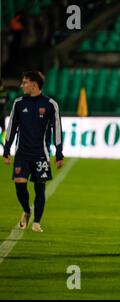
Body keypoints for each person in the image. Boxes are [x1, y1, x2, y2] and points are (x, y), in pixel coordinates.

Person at [3, 71, 64, 233]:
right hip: (22, 153)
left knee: (39, 188)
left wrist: (59, 153)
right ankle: (26, 210)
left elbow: (57, 129)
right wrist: (7, 149)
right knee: (20, 185)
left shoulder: (51, 104)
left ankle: (37, 222)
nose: (22, 85)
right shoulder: (18, 103)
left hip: (41, 154)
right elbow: (11, 128)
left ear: (34, 85)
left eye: (25, 82)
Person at [0, 80, 8, 144]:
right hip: (3, 113)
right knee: (3, 128)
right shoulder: (5, 92)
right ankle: (2, 140)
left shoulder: (4, 92)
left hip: (2, 113)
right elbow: (7, 101)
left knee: (3, 128)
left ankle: (2, 140)